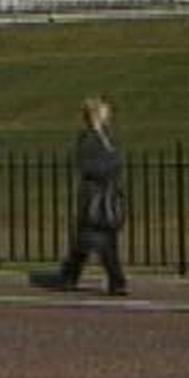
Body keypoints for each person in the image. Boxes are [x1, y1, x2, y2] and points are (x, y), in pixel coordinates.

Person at [32, 96, 128, 295]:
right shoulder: (88, 139)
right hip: (94, 197)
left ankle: (69, 276)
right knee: (101, 237)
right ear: (96, 114)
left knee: (86, 239)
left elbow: (117, 161)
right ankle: (116, 280)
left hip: (107, 195)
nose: (109, 114)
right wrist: (110, 168)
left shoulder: (107, 137)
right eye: (104, 110)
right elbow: (89, 167)